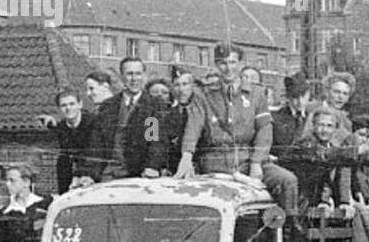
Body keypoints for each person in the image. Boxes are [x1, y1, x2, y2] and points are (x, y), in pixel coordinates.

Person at [176, 43, 298, 220]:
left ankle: (290, 237)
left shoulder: (256, 93)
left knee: (287, 180)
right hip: (216, 162)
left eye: (233, 62)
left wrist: (257, 162)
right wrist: (186, 156)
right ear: (216, 65)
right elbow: (194, 127)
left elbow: (264, 129)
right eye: (223, 63)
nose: (228, 68)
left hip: (247, 160)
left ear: (241, 64)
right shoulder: (204, 95)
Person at [103, 57, 170, 180]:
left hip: (136, 173)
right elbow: (97, 141)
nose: (134, 79)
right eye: (129, 74)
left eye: (138, 74)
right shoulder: (108, 106)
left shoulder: (152, 106)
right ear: (121, 76)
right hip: (108, 173)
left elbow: (154, 139)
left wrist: (152, 166)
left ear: (143, 76)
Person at [80, 69, 120, 184]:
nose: (88, 93)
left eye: (92, 88)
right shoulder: (100, 111)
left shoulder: (114, 111)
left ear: (105, 87)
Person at [270, 71, 313, 163]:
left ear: (309, 94)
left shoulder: (313, 117)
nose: (300, 102)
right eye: (295, 97)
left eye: (303, 96)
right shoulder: (276, 119)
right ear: (288, 96)